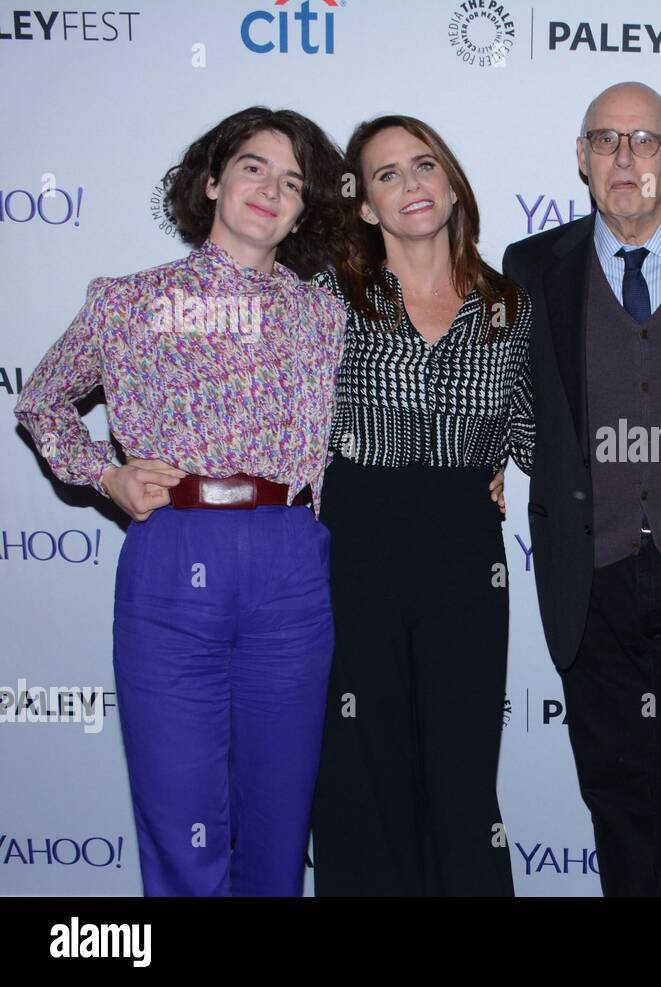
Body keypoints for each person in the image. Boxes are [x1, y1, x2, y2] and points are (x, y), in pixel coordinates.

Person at [15, 106, 349, 896]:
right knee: (180, 815)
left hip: (292, 560)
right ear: (212, 182)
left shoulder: (323, 314)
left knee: (277, 821)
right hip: (175, 554)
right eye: (253, 168)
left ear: (304, 211)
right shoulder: (128, 303)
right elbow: (42, 400)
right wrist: (107, 475)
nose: (272, 188)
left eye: (293, 181)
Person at [502, 81, 661, 896]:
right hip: (595, 577)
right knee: (615, 801)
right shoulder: (531, 267)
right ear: (580, 159)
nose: (625, 158)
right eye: (606, 140)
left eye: (644, 141)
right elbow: (505, 394)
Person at [309, 115, 532, 896]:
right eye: (387, 174)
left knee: (463, 769)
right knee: (363, 765)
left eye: (424, 165)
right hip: (356, 543)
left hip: (468, 556)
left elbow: (536, 431)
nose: (411, 185)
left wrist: (510, 463)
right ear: (365, 204)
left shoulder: (508, 305)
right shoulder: (328, 297)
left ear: (451, 183)